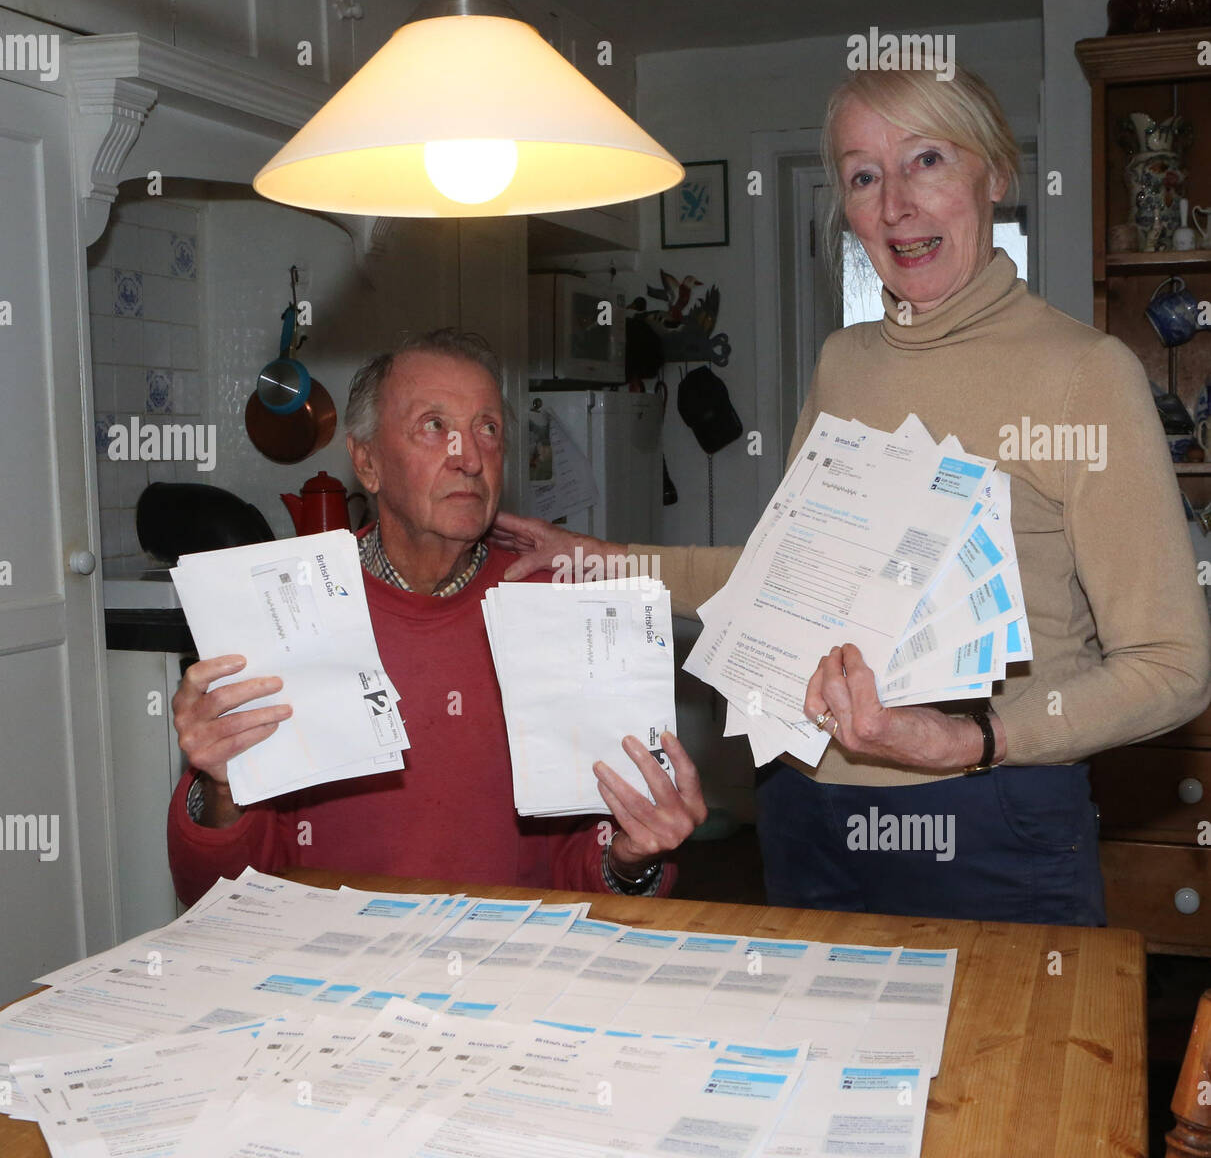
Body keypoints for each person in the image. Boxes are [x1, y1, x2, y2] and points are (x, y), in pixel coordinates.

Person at [491, 64, 1211, 927]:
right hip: (804, 806)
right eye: (864, 176)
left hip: (986, 815)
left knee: (998, 1064)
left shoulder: (1086, 376)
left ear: (993, 173)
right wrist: (601, 561)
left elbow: (1172, 667)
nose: (895, 206)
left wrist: (970, 741)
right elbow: (786, 589)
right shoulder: (845, 360)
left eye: (927, 161)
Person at [167, 329, 706, 906]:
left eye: (488, 428)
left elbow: (592, 870)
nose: (469, 457)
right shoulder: (293, 612)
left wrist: (631, 858)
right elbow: (211, 894)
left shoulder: (560, 609)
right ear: (367, 462)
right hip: (335, 967)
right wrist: (221, 787)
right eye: (434, 425)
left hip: (513, 963)